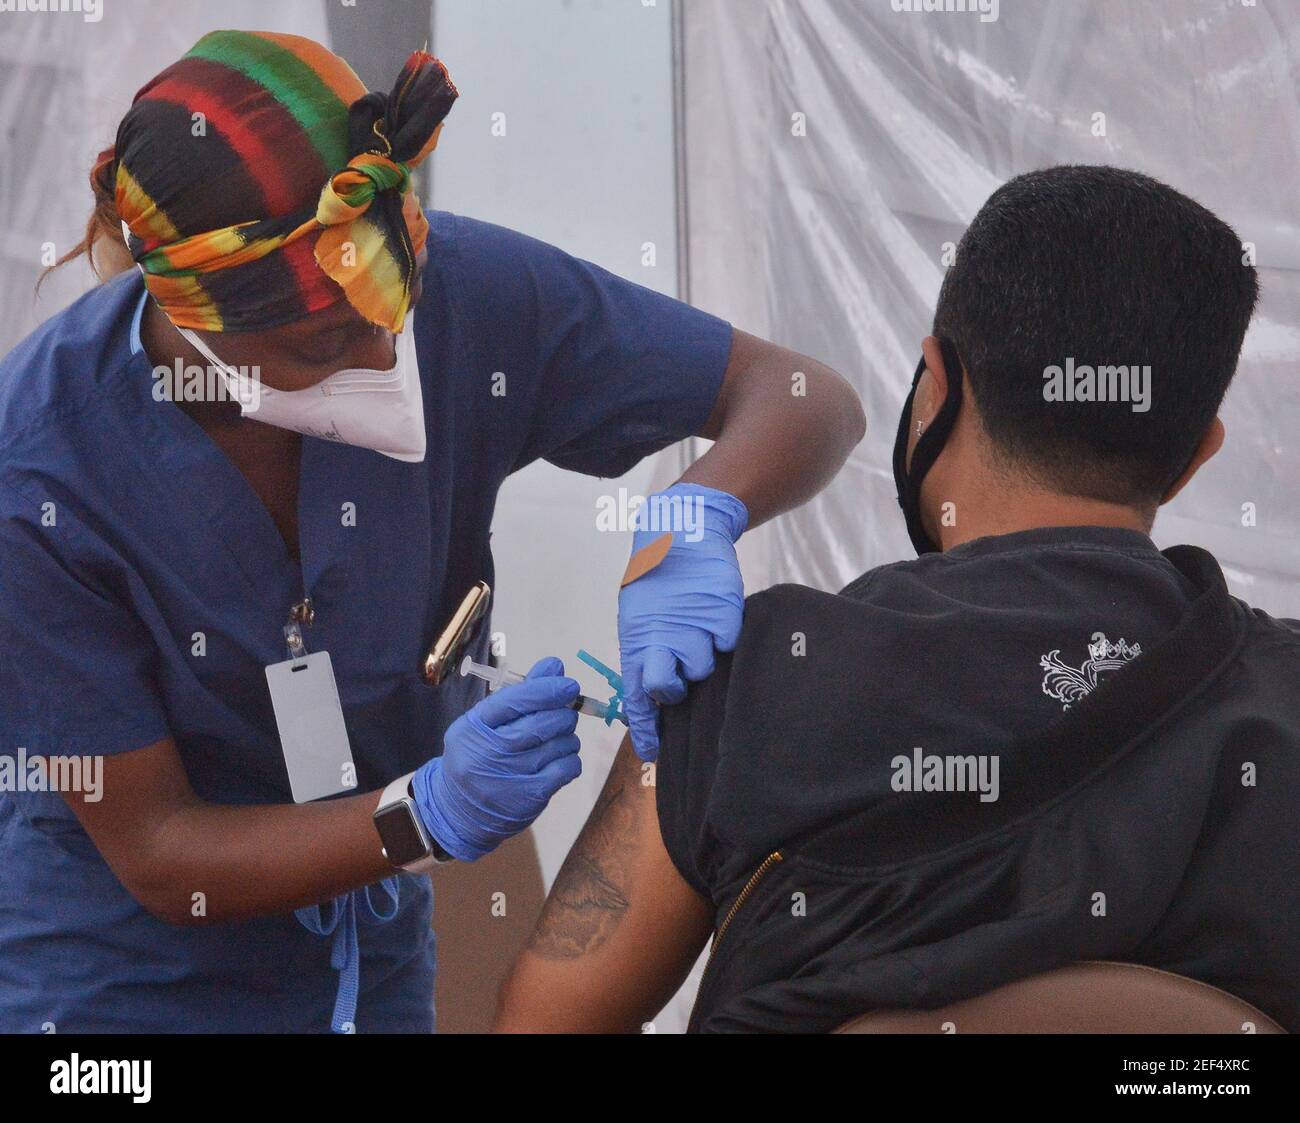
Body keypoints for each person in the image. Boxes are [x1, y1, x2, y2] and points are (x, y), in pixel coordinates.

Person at [0, 30, 863, 1034]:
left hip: (377, 961)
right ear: (199, 326)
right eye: (326, 341)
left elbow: (806, 398)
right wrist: (422, 811)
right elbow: (158, 848)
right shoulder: (42, 473)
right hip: (124, 994)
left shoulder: (460, 297)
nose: (382, 352)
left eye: (395, 311)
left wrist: (695, 514)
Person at [494, 165, 1300, 1034]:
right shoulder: (1280, 699)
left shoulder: (749, 676)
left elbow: (543, 1023)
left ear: (936, 388)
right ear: (1196, 455)